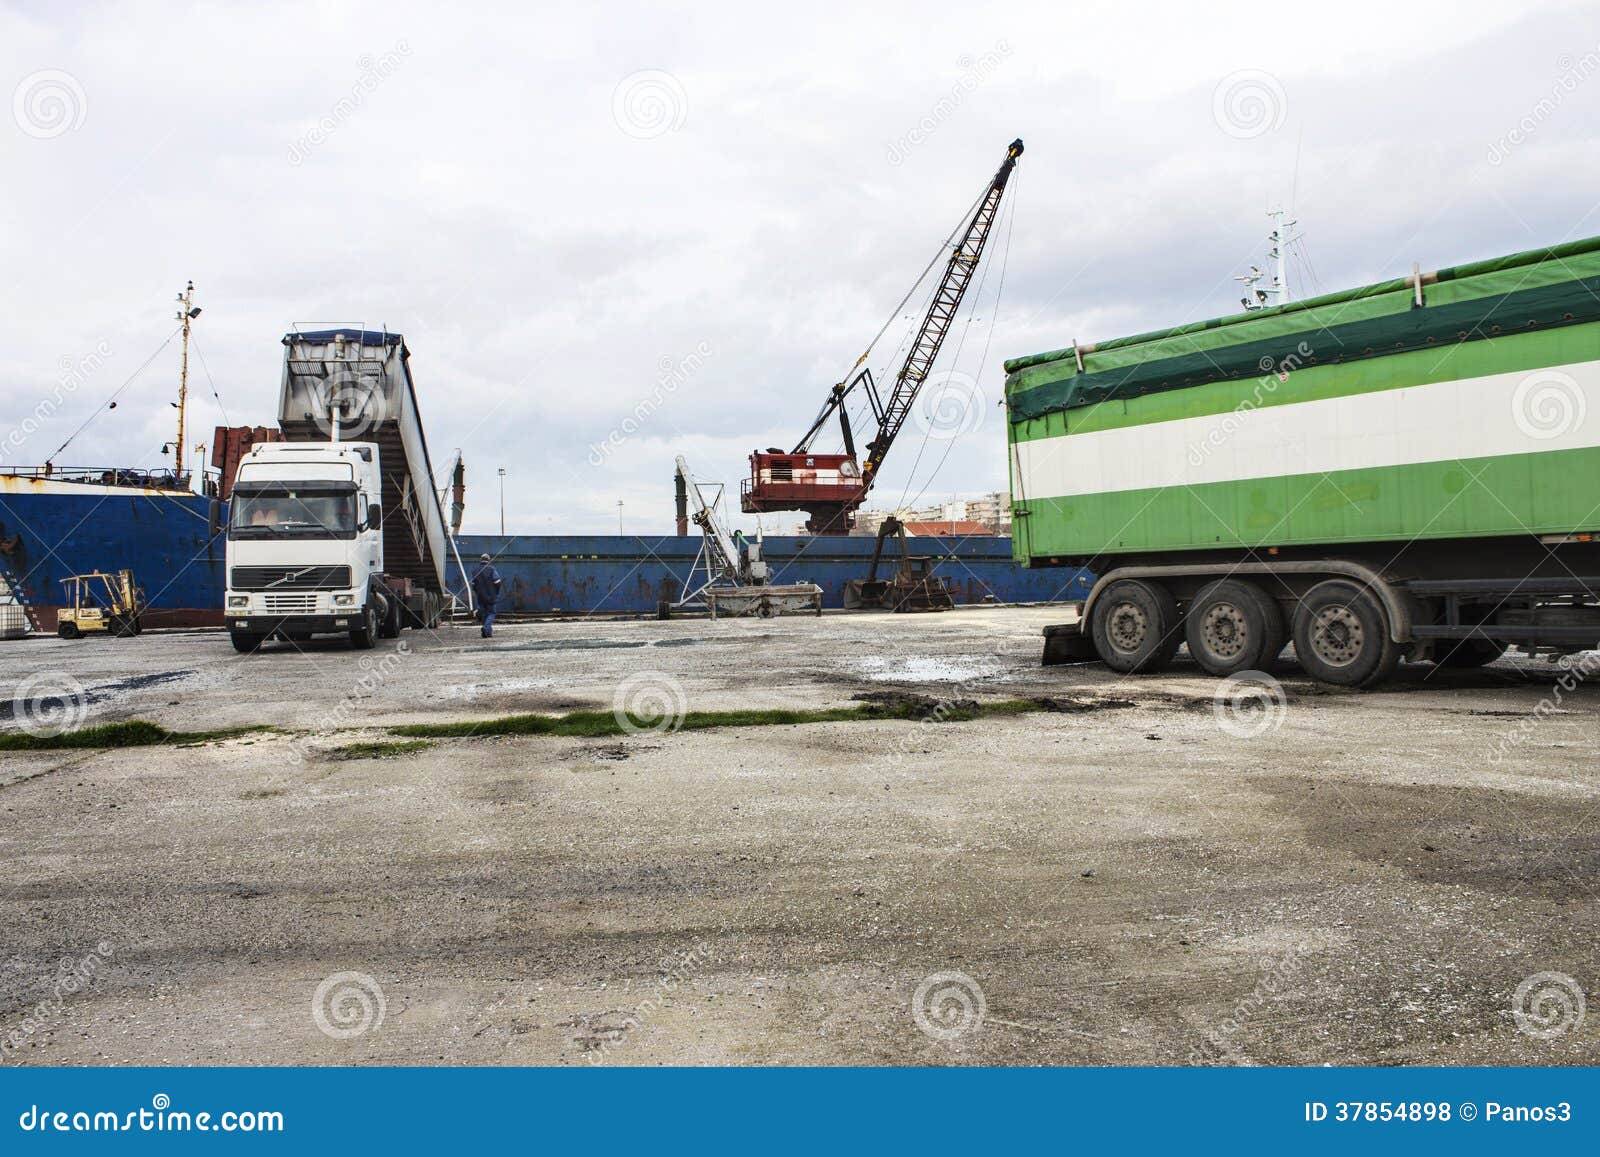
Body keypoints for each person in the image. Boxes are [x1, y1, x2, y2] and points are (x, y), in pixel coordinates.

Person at [470, 552, 503, 638]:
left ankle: (488, 633)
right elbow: (498, 582)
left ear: (481, 560)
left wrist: (478, 592)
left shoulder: (475, 571)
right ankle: (486, 627)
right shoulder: (492, 569)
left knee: (484, 614)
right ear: (488, 560)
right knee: (492, 613)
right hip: (491, 596)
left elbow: (473, 585)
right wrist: (496, 592)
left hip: (480, 596)